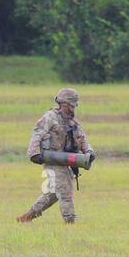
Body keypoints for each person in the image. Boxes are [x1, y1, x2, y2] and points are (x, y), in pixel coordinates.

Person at [17, 88, 93, 224]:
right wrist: (34, 153)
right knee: (65, 190)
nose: (73, 108)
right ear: (63, 103)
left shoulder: (71, 121)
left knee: (53, 193)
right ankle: (70, 222)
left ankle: (27, 217)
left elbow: (81, 136)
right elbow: (37, 133)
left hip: (65, 159)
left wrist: (89, 151)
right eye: (71, 105)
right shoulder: (50, 117)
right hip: (52, 158)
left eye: (74, 105)